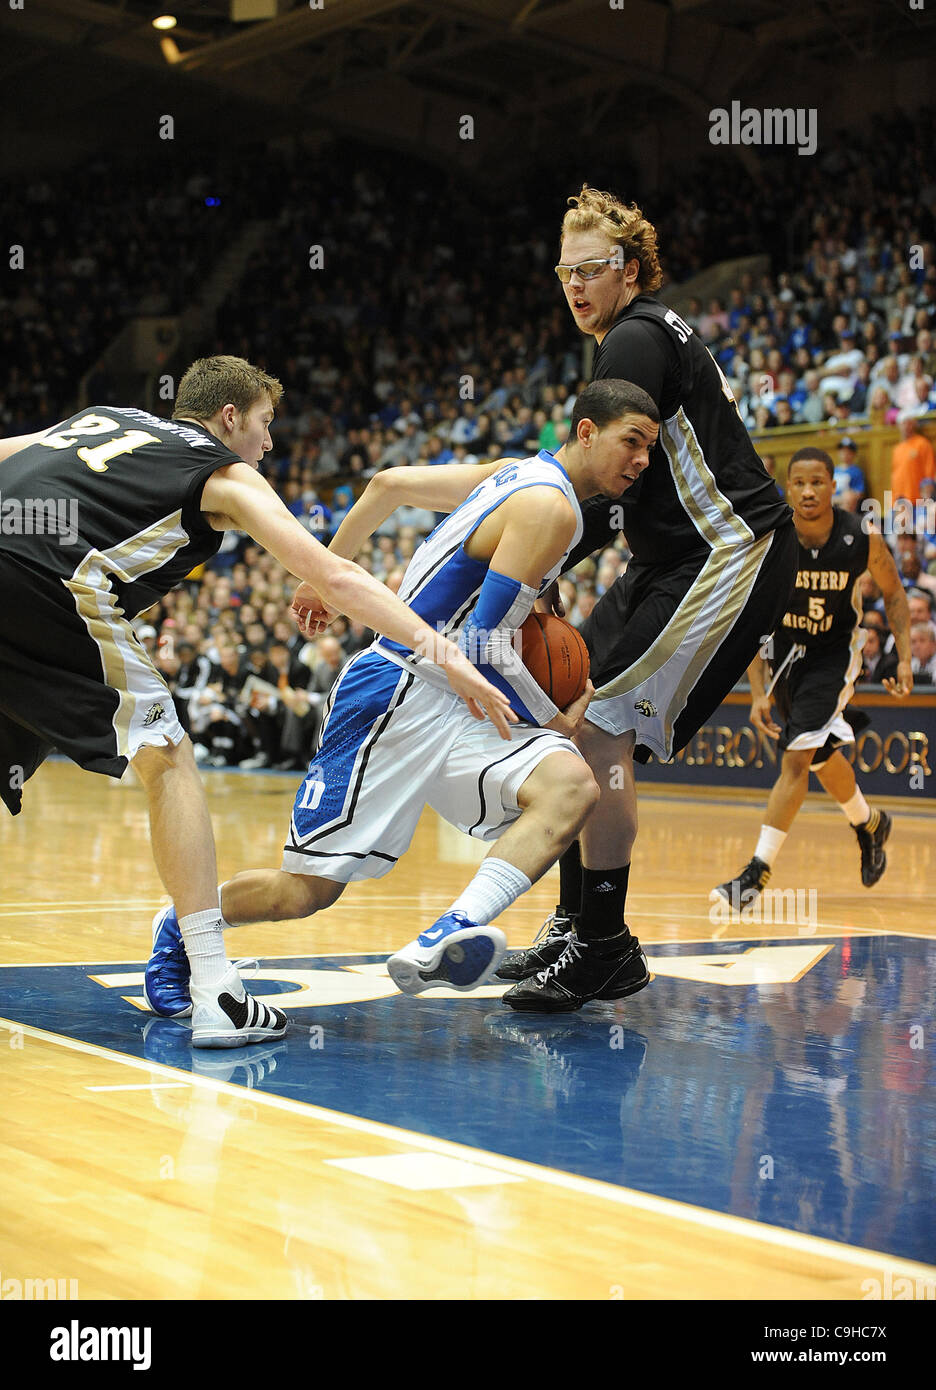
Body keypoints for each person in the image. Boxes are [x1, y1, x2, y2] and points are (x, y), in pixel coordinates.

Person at [0, 355, 514, 1049]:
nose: (270, 444)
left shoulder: (104, 419)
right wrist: (448, 657)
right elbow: (336, 574)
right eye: (265, 424)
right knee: (167, 757)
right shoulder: (225, 474)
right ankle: (215, 989)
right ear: (230, 417)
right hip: (52, 582)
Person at [141, 381, 661, 1015]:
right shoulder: (549, 507)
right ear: (585, 432)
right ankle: (181, 925)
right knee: (304, 893)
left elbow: (386, 484)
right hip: (397, 691)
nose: (639, 460)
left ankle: (446, 935)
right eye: (630, 442)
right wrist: (550, 713)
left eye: (649, 449)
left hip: (457, 698)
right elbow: (482, 640)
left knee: (573, 785)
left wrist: (321, 574)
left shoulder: (513, 472)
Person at [494, 185, 798, 1012]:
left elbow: (586, 485)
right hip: (668, 557)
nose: (575, 285)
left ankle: (604, 947)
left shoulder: (631, 339)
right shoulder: (639, 334)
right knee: (563, 711)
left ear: (629, 271)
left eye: (591, 268)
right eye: (564, 272)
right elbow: (610, 493)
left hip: (727, 551)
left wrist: (527, 564)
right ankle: (572, 925)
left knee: (594, 726)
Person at [712, 448, 912, 907]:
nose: (807, 491)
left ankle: (755, 876)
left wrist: (903, 657)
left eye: (817, 482)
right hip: (784, 659)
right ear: (787, 487)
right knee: (819, 754)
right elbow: (752, 621)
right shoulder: (770, 539)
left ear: (832, 485)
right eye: (798, 482)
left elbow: (895, 593)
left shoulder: (859, 537)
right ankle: (870, 823)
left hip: (833, 656)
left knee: (796, 759)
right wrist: (758, 691)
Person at [891, 411, 935, 503]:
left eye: (909, 423)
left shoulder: (923, 444)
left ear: (914, 425)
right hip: (901, 501)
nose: (907, 426)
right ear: (899, 426)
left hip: (919, 500)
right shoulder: (897, 449)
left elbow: (930, 472)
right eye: (904, 423)